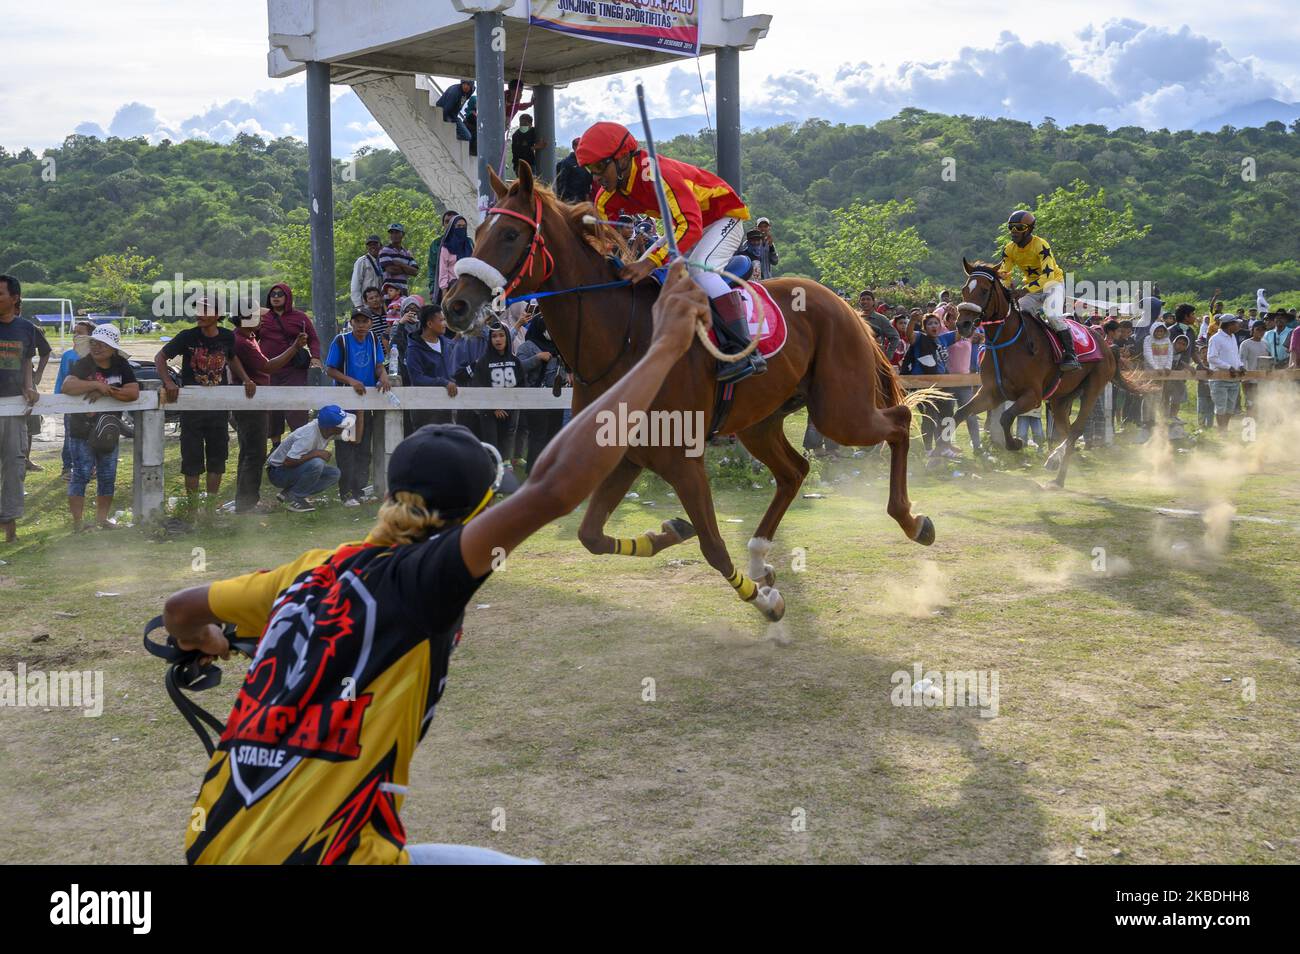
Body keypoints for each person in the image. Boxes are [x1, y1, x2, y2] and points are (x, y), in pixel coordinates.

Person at [158, 261, 709, 865]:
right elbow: (552, 488)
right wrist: (662, 350)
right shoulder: (426, 583)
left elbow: (180, 610)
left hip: (210, 851)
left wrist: (205, 637)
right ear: (469, 519)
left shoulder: (308, 572)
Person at [576, 120, 765, 383]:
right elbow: (605, 240)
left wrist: (651, 263)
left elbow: (691, 227)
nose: (596, 178)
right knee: (638, 273)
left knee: (700, 269)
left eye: (599, 167)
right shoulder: (607, 197)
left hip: (722, 218)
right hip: (685, 224)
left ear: (621, 159)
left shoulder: (658, 174)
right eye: (589, 170)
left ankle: (745, 350)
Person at [157, 298, 258, 501]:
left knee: (217, 459)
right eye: (198, 310)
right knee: (192, 462)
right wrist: (168, 382)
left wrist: (246, 379)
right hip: (192, 409)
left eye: (205, 310)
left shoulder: (228, 337)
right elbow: (160, 357)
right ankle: (192, 509)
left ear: (217, 314)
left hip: (218, 408)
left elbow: (232, 357)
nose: (199, 314)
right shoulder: (187, 337)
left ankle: (210, 507)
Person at [59, 324, 139, 531]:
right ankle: (78, 523)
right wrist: (95, 385)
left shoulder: (121, 365)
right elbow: (67, 386)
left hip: (108, 430)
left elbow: (133, 392)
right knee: (81, 473)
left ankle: (102, 519)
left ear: (112, 348)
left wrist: (106, 391)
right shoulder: (83, 364)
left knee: (107, 474)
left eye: (103, 344)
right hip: (81, 429)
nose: (97, 347)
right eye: (94, 343)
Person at [231, 304, 308, 513]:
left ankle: (245, 501)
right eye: (257, 316)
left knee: (250, 451)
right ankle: (247, 504)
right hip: (251, 403)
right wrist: (294, 348)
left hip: (255, 401)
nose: (263, 319)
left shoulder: (248, 338)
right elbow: (269, 367)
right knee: (254, 452)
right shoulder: (243, 342)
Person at [997, 209, 1079, 371]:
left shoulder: (1041, 245)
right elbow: (1004, 273)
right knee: (1020, 314)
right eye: (1011, 227)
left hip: (1053, 284)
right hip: (1032, 289)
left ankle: (1071, 354)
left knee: (1053, 315)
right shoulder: (1008, 249)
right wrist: (1006, 287)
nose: (1014, 232)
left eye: (1019, 228)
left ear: (1030, 229)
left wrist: (1024, 290)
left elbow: (1048, 276)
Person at [325, 310, 392, 506]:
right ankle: (346, 493)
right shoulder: (341, 341)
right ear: (352, 322)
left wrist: (384, 376)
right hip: (345, 402)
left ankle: (359, 490)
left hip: (366, 400)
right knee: (347, 448)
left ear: (370, 323)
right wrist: (351, 381)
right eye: (358, 321)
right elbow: (330, 369)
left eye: (365, 321)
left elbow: (379, 364)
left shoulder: (372, 338)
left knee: (364, 448)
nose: (361, 325)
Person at [0, 275, 39, 543]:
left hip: (14, 407)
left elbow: (27, 361)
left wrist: (29, 386)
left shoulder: (26, 328)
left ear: (15, 298)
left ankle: (10, 532)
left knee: (14, 465)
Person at [258, 282, 320, 448]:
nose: (276, 297)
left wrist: (315, 357)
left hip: (293, 370)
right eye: (273, 294)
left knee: (296, 406)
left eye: (280, 294)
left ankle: (299, 443)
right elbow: (249, 336)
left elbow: (313, 338)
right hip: (269, 368)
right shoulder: (263, 317)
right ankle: (276, 445)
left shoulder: (300, 317)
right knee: (272, 408)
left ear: (288, 297)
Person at [264, 405, 345, 512]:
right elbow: (288, 462)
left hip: (289, 468)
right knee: (317, 463)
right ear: (330, 428)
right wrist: (316, 453)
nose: (344, 425)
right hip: (277, 472)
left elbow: (351, 436)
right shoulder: (308, 435)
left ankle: (290, 493)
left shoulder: (326, 429)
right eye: (341, 424)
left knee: (334, 474)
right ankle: (296, 499)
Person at [901, 313, 960, 458]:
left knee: (948, 417)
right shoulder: (920, 337)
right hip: (923, 386)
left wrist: (957, 317)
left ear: (940, 326)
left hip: (943, 385)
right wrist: (913, 320)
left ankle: (945, 447)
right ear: (924, 327)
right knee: (929, 417)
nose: (933, 326)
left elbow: (962, 333)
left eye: (936, 323)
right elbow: (909, 335)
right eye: (930, 324)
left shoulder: (944, 338)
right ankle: (928, 449)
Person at [470, 320, 523, 462]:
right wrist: (494, 406)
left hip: (511, 409)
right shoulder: (483, 362)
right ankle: (491, 472)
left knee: (507, 442)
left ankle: (506, 471)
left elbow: (522, 386)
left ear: (507, 337)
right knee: (491, 445)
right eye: (494, 336)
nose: (498, 339)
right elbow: (478, 386)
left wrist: (510, 406)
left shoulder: (516, 361)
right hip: (489, 412)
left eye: (501, 335)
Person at [405, 304, 460, 428]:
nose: (445, 323)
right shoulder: (413, 349)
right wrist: (443, 382)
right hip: (425, 410)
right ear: (429, 324)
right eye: (441, 320)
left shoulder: (447, 344)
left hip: (448, 406)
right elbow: (417, 378)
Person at [54, 319, 96, 480]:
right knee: (70, 435)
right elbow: (61, 378)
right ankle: (67, 468)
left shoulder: (95, 356)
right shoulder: (67, 356)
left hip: (91, 403)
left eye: (80, 333)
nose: (76, 336)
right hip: (70, 403)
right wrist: (58, 398)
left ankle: (91, 467)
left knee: (91, 434)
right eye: (75, 332)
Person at [1206, 314, 1246, 431]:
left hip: (1233, 378)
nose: (1238, 325)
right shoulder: (1215, 338)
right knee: (1221, 407)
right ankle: (1222, 430)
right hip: (1219, 378)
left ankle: (1224, 428)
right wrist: (1228, 367)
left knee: (1230, 408)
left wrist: (1241, 365)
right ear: (1229, 325)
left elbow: (1235, 356)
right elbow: (1212, 358)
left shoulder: (1232, 336)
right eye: (1236, 323)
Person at [436, 216, 474, 305]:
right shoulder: (446, 247)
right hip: (454, 287)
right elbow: (443, 271)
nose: (461, 229)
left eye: (464, 227)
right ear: (453, 228)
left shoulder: (469, 244)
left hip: (470, 285)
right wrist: (444, 292)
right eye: (458, 226)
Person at [426, 210, 458, 300]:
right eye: (447, 221)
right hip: (440, 287)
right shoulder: (436, 244)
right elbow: (432, 267)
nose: (449, 224)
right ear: (443, 225)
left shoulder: (467, 242)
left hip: (463, 285)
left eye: (453, 221)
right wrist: (432, 289)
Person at [858, 290, 902, 356]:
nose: (865, 301)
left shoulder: (881, 319)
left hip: (875, 358)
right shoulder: (856, 318)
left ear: (873, 302)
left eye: (868, 299)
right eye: (863, 299)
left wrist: (887, 356)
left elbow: (895, 338)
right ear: (859, 302)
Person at [378, 224, 418, 297]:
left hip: (403, 291)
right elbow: (391, 270)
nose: (394, 235)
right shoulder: (384, 251)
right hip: (389, 292)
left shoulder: (407, 253)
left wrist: (400, 264)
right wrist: (407, 269)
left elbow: (415, 272)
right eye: (392, 233)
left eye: (397, 232)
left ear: (402, 235)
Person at [554, 138, 593, 204]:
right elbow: (562, 182)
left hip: (584, 199)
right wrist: (564, 200)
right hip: (571, 200)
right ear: (574, 147)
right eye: (580, 145)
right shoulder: (567, 162)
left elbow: (588, 180)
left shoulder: (585, 161)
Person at [350, 236, 384, 309]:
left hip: (380, 304)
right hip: (366, 304)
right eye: (370, 245)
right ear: (367, 247)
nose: (372, 246)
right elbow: (355, 284)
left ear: (380, 246)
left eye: (375, 244)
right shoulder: (362, 261)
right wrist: (358, 305)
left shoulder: (383, 261)